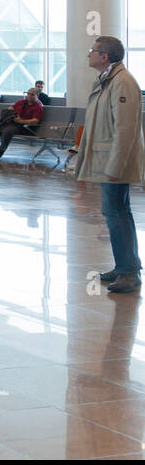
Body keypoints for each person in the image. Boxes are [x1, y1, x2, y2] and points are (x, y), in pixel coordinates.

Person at [77, 36, 145, 294]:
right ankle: (124, 266)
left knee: (116, 214)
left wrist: (115, 166)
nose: (88, 55)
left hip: (114, 161)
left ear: (105, 56)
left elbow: (125, 129)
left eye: (92, 50)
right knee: (115, 212)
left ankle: (129, 272)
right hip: (107, 158)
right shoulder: (108, 79)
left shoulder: (122, 82)